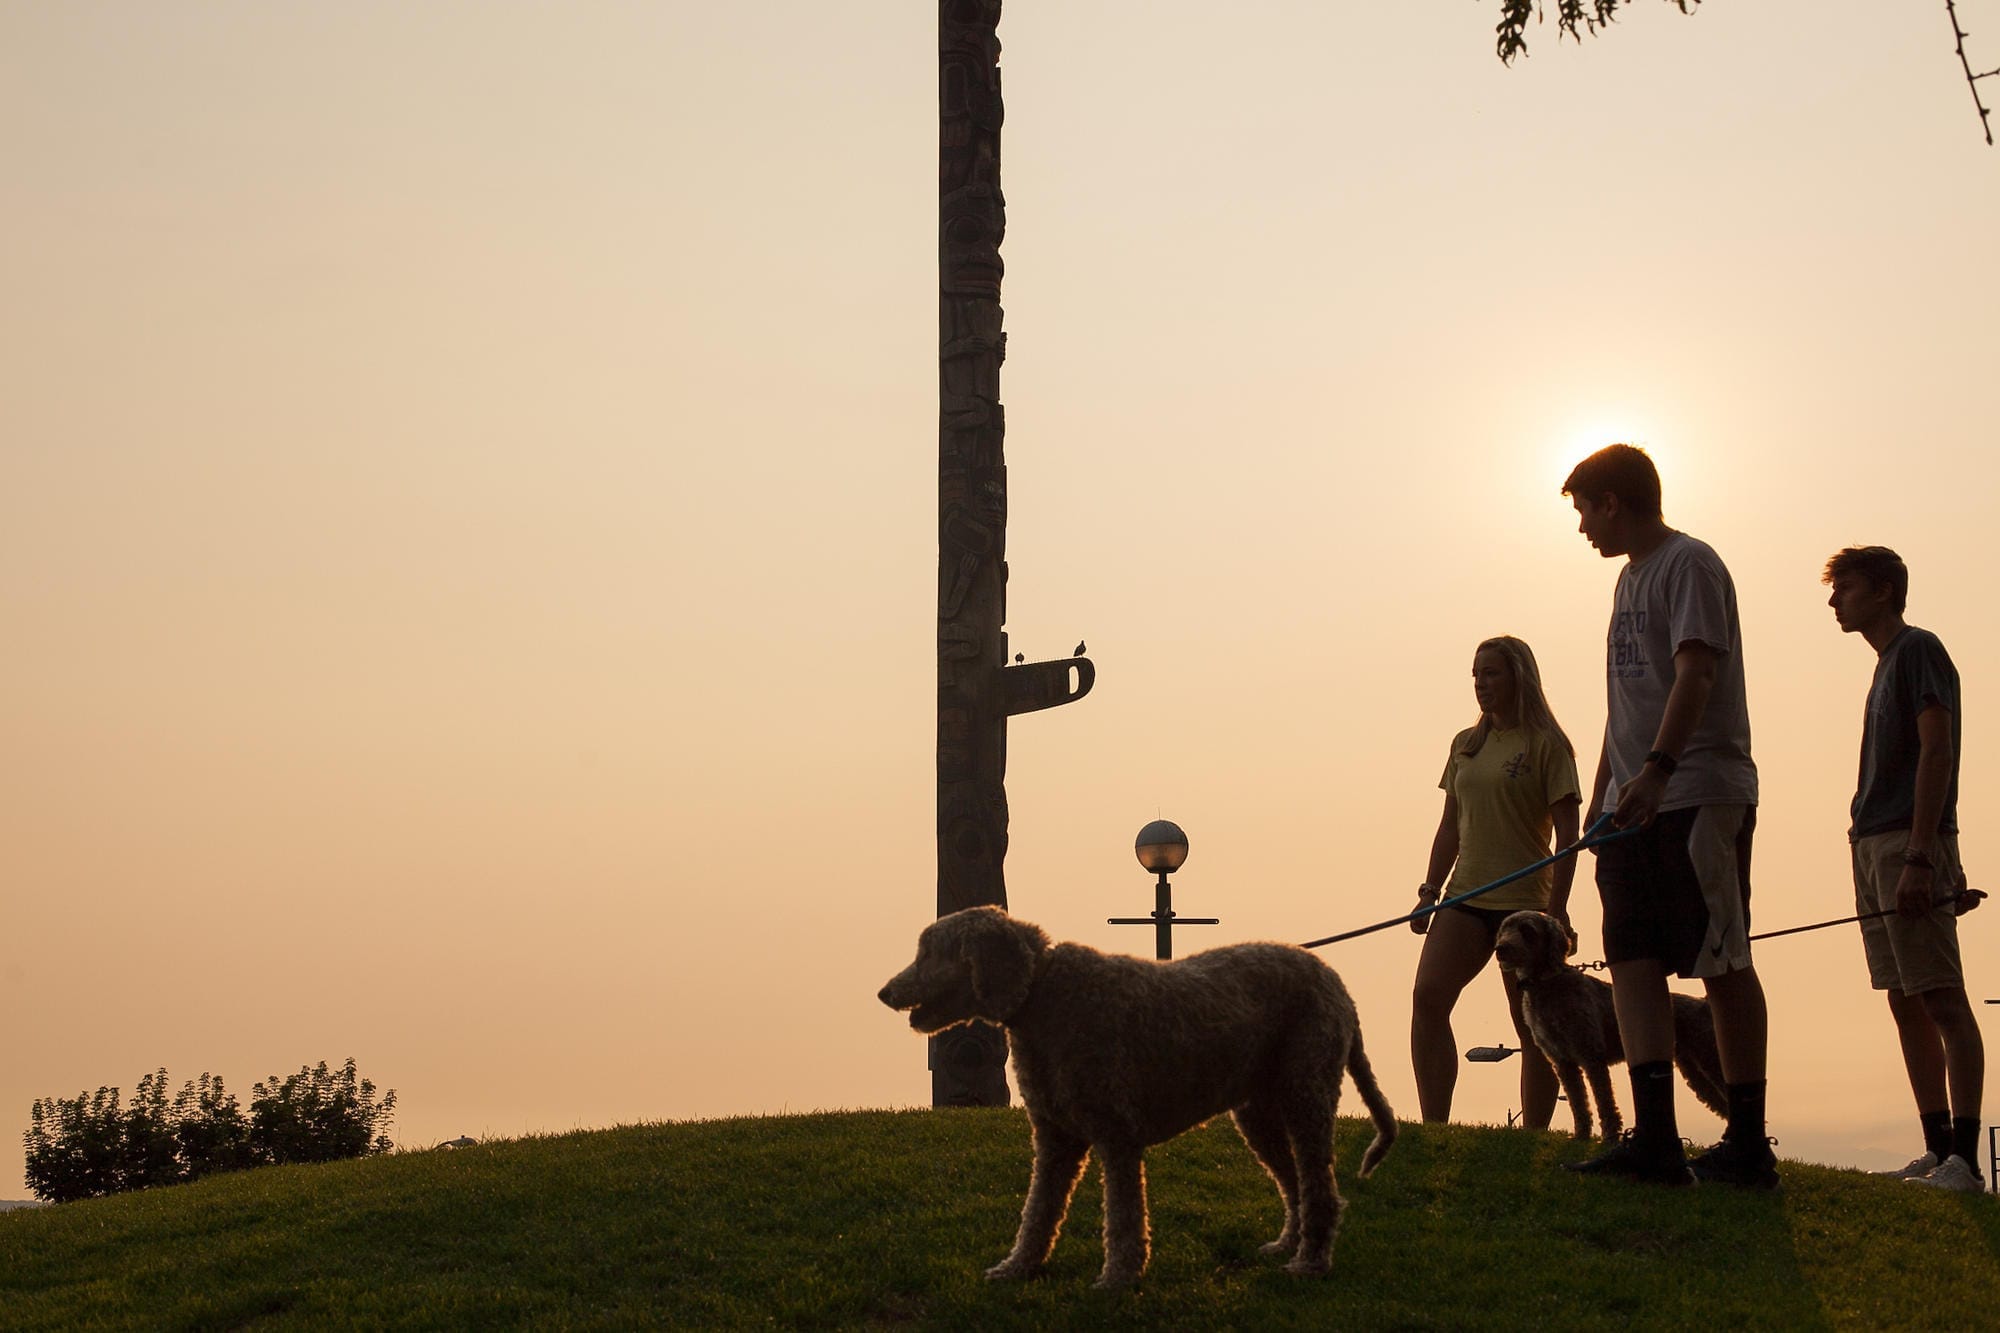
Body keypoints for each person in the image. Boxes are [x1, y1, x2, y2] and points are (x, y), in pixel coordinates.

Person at [1559, 443, 1776, 1188]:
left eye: (1585, 509)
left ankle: (1748, 1143)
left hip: (1696, 793)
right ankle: (1655, 1140)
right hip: (1630, 807)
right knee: (1631, 960)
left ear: (1613, 501)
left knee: (1720, 958)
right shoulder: (1627, 581)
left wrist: (1658, 769)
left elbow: (1697, 670)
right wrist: (1605, 792)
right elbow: (1627, 702)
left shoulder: (1690, 564)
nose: (1582, 525)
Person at [1823, 545, 1985, 1193]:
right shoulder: (1886, 663)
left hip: (1904, 846)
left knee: (1941, 994)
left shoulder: (1919, 649)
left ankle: (1965, 1161)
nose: (1834, 599)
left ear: (1884, 590)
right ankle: (1937, 1147)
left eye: (1846, 587)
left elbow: (1937, 748)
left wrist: (1925, 854)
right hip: (1874, 843)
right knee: (1903, 997)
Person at [1410, 635, 1582, 1130]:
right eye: (1476, 675)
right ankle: (1433, 1127)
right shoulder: (1465, 744)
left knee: (1532, 1026)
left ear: (1519, 677)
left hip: (1525, 906)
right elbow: (1450, 825)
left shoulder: (1548, 745)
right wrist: (1428, 890)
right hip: (1464, 898)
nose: (1482, 684)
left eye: (1492, 673)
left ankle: (1534, 1136)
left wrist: (1558, 910)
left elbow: (1570, 836)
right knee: (1428, 999)